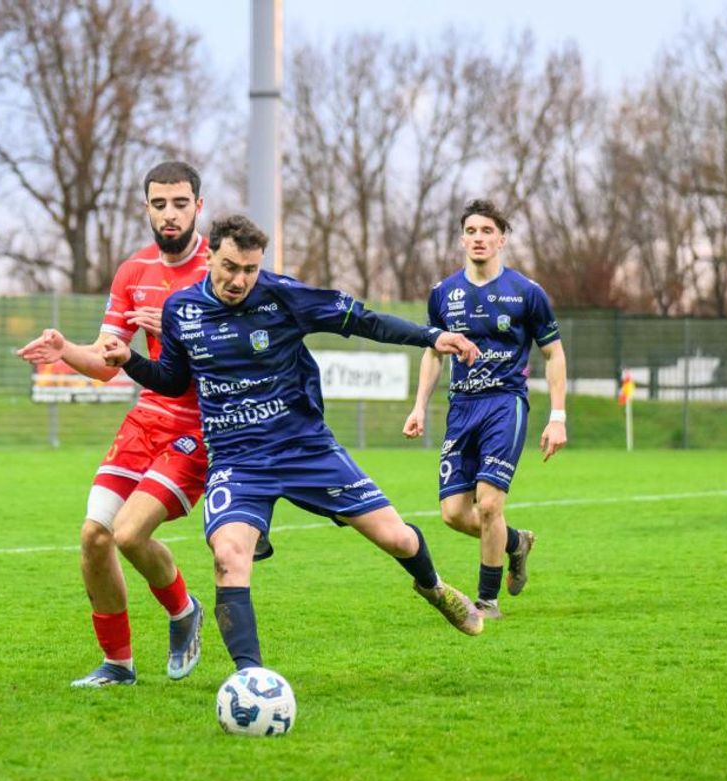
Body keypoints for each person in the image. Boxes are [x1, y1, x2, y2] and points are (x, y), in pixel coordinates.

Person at [102, 213, 487, 673]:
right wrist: (131, 361)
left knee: (399, 539)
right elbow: (174, 379)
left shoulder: (283, 295)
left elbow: (362, 321)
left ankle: (432, 586)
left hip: (305, 448)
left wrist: (433, 334)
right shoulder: (181, 310)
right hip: (236, 460)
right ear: (209, 257)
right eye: (229, 267)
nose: (239, 280)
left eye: (249, 270)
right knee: (229, 558)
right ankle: (252, 678)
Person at [16, 161, 209, 687]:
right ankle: (117, 666)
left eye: (180, 203)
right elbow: (107, 362)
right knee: (95, 537)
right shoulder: (133, 272)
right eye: (159, 204)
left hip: (200, 427)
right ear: (146, 207)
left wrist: (174, 327)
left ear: (198, 206)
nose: (169, 215)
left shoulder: (221, 270)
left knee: (127, 534)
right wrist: (64, 350)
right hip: (145, 419)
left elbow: (236, 359)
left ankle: (182, 608)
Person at [402, 199, 567, 619]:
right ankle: (516, 543)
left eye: (487, 231)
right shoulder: (443, 294)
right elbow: (433, 354)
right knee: (454, 514)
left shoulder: (527, 293)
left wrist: (557, 417)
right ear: (462, 238)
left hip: (504, 405)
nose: (479, 238)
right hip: (461, 408)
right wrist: (419, 406)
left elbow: (554, 354)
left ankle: (487, 601)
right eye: (472, 231)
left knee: (490, 505)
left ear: (502, 239)